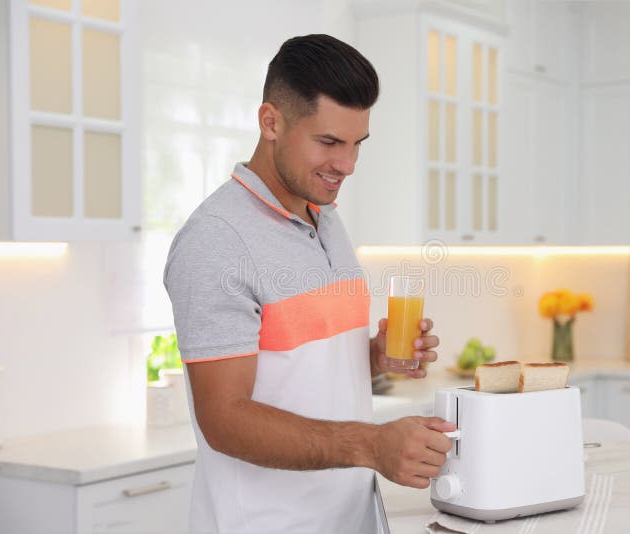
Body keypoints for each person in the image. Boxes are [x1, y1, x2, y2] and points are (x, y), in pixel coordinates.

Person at [164, 34, 455, 533]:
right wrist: (371, 444)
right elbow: (225, 418)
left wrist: (373, 356)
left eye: (356, 144)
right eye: (329, 142)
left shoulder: (324, 216)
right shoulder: (216, 240)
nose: (347, 165)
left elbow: (304, 368)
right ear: (270, 122)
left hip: (354, 517)